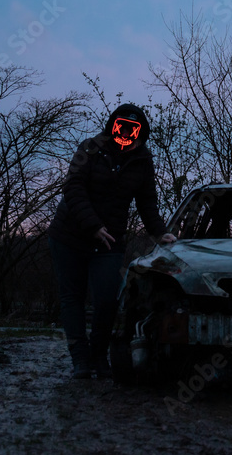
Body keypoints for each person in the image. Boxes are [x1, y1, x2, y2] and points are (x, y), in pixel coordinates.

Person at [47, 103, 176, 379]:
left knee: (107, 299)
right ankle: (80, 360)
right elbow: (73, 186)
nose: (127, 132)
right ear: (113, 126)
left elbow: (147, 201)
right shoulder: (90, 148)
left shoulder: (143, 161)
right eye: (122, 126)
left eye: (133, 128)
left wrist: (159, 232)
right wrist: (93, 225)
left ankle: (98, 356)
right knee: (73, 298)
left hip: (109, 241)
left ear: (142, 133)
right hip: (69, 236)